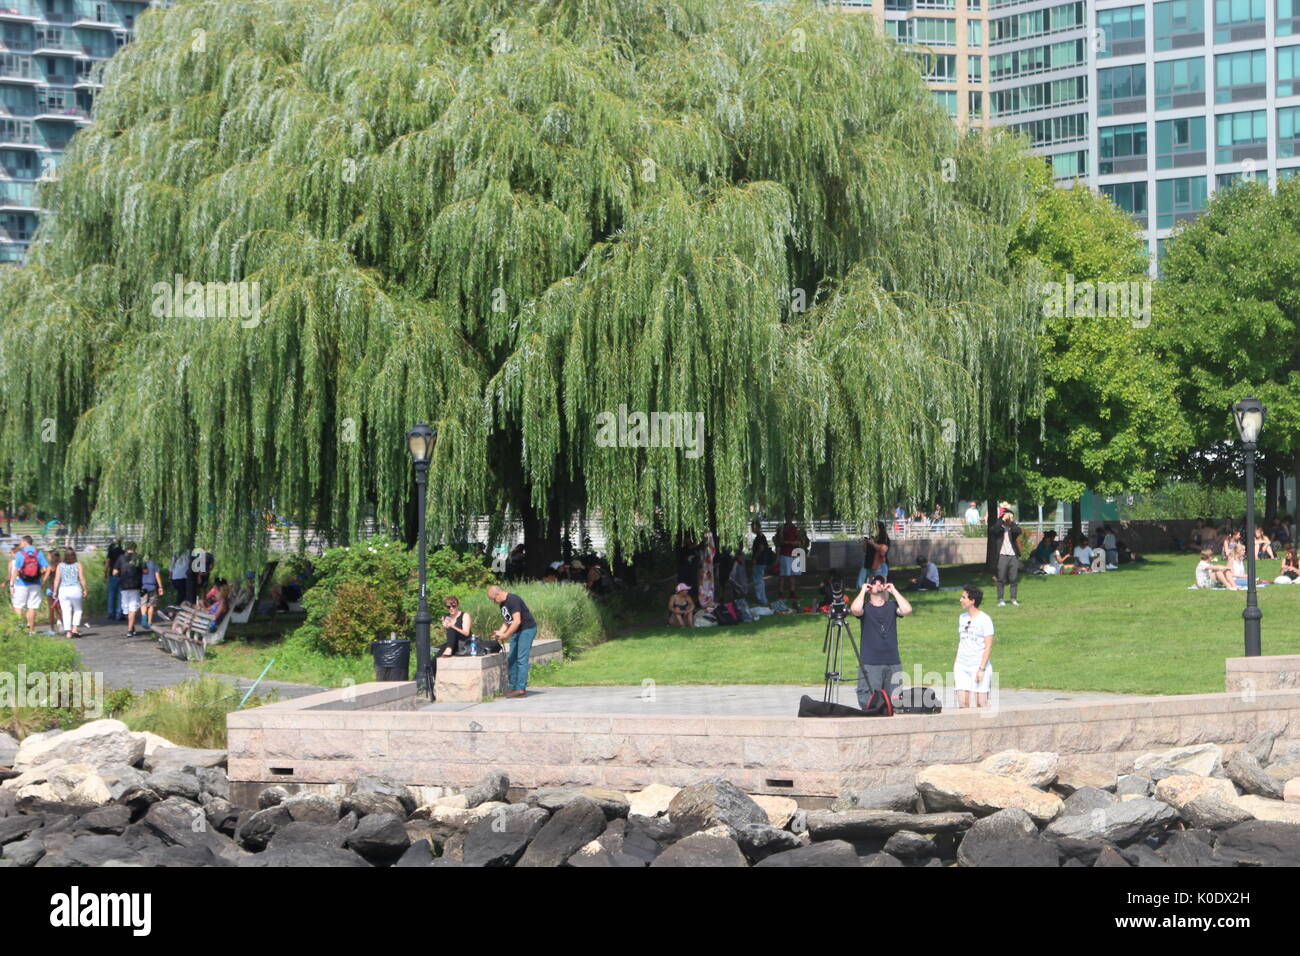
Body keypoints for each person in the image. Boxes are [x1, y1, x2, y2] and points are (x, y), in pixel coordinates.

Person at [850, 575, 913, 710]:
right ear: (869, 587)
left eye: (881, 582)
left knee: (896, 703)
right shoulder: (865, 608)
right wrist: (862, 590)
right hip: (871, 662)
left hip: (893, 662)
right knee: (870, 704)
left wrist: (893, 591)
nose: (878, 583)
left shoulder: (891, 606)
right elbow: (855, 609)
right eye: (874, 582)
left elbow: (907, 609)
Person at [488, 584, 538, 699]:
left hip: (527, 629)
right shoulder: (502, 604)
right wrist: (500, 632)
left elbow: (517, 621)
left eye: (493, 599)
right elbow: (507, 621)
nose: (493, 602)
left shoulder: (513, 600)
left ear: (498, 594)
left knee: (521, 659)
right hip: (517, 631)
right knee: (511, 658)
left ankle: (521, 689)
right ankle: (513, 687)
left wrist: (506, 635)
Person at [954, 585, 995, 709]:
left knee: (981, 704)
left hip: (978, 666)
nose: (961, 600)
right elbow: (961, 641)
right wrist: (957, 662)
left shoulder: (985, 619)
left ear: (972, 601)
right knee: (963, 704)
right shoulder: (962, 618)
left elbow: (988, 646)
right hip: (962, 665)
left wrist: (981, 669)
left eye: (964, 597)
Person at [8, 535, 49, 634]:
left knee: (18, 606)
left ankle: (20, 629)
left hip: (21, 583)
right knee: (32, 607)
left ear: (25, 542)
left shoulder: (20, 553)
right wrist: (43, 581)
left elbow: (16, 570)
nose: (20, 544)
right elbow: (47, 568)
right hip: (35, 583)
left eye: (21, 542)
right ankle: (32, 631)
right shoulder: (38, 553)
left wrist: (12, 584)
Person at [112, 541, 145, 638]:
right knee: (133, 608)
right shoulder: (139, 557)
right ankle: (131, 628)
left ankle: (130, 628)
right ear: (135, 548)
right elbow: (145, 570)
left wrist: (121, 573)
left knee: (126, 609)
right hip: (135, 585)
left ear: (126, 548)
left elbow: (114, 572)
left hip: (124, 586)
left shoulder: (121, 558)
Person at [990, 510, 1022, 606]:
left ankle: (1013, 599)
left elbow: (1018, 531)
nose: (1009, 518)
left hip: (1013, 555)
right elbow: (993, 530)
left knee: (1013, 578)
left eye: (1011, 516)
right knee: (1001, 578)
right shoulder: (999, 527)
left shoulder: (1012, 528)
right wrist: (1002, 520)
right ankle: (1000, 599)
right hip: (1002, 555)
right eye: (1008, 516)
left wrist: (1011, 522)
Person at [54, 548, 87, 639]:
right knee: (78, 609)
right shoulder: (78, 565)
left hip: (63, 590)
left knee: (65, 611)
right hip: (75, 589)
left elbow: (57, 579)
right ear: (74, 556)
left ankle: (68, 632)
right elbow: (81, 578)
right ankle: (75, 629)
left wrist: (54, 591)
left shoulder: (60, 565)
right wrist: (85, 589)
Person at [438, 596, 472, 668]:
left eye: (453, 606)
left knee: (452, 628)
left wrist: (452, 626)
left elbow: (466, 633)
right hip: (452, 643)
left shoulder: (464, 615)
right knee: (435, 659)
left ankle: (449, 649)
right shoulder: (446, 617)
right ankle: (428, 677)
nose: (451, 608)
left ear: (458, 606)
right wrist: (445, 626)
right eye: (448, 607)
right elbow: (448, 634)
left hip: (463, 643)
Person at [777, 516, 803, 601]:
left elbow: (799, 540)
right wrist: (790, 543)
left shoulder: (794, 528)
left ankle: (792, 592)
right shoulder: (782, 528)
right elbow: (780, 541)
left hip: (794, 554)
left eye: (792, 517)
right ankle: (780, 593)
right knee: (783, 574)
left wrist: (797, 543)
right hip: (785, 554)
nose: (790, 519)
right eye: (789, 517)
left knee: (793, 575)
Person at [139, 554, 162, 630]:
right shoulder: (154, 563)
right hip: (152, 586)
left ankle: (143, 619)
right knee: (151, 605)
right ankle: (149, 622)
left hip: (143, 586)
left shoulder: (140, 563)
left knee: (143, 604)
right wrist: (160, 586)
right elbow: (157, 575)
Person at [105, 537, 124, 621]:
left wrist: (105, 572)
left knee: (111, 594)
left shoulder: (111, 551)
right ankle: (119, 613)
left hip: (112, 574)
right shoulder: (122, 551)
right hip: (122, 574)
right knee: (120, 594)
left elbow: (108, 562)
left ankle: (111, 613)